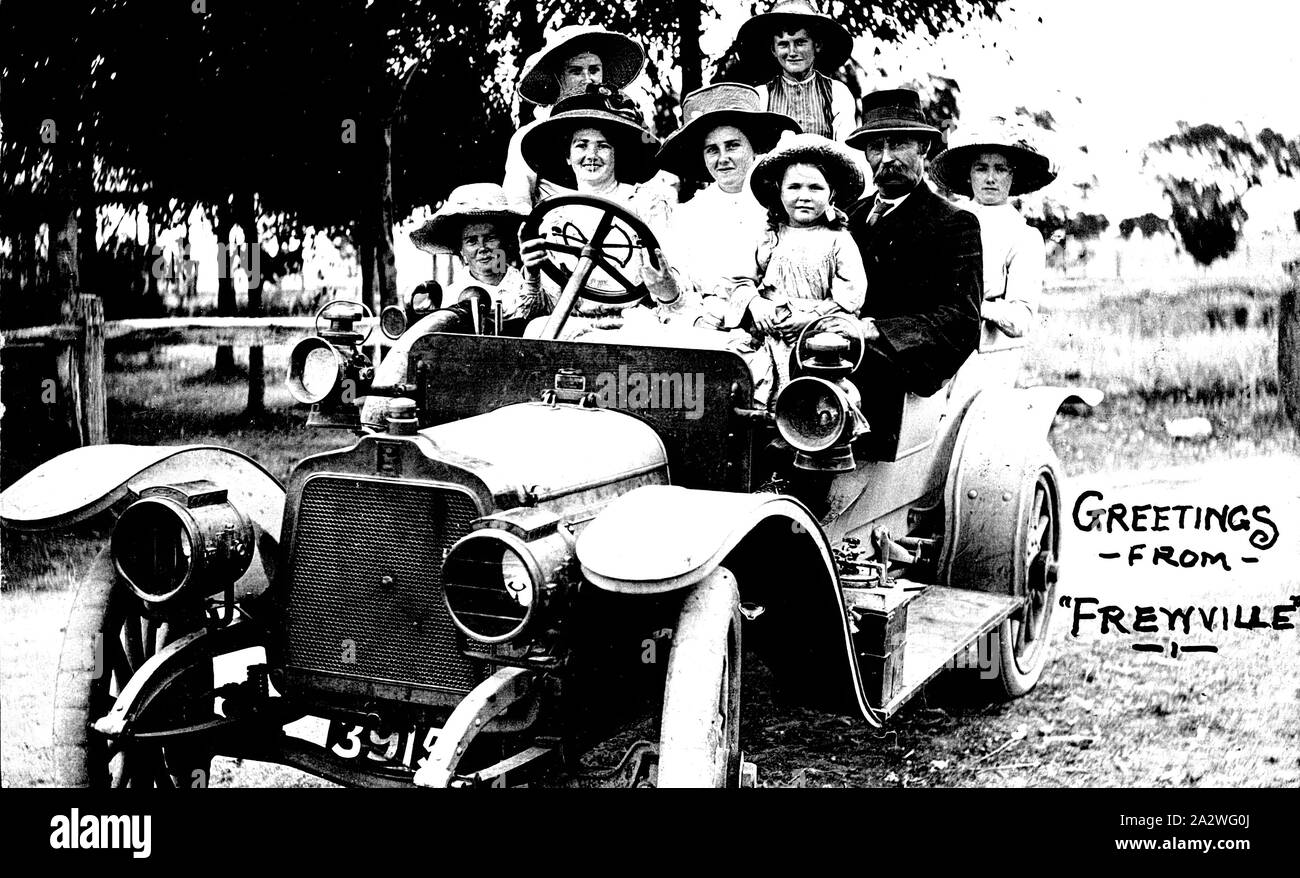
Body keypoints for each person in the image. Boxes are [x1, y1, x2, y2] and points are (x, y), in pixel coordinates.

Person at [518, 86, 695, 339]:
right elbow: (544, 308)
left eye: (603, 146)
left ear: (616, 154)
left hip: (634, 322)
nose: (591, 155)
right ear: (567, 156)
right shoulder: (553, 215)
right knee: (536, 331)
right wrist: (533, 273)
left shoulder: (646, 203)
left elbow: (672, 286)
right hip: (574, 324)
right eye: (581, 145)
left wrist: (667, 288)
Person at [844, 88, 983, 397]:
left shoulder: (954, 223)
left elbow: (963, 318)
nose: (887, 157)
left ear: (924, 147)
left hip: (903, 374)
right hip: (840, 360)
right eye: (875, 146)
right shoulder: (848, 217)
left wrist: (877, 330)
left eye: (899, 144)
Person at [656, 82, 800, 328]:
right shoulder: (688, 214)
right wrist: (697, 318)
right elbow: (676, 286)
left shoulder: (782, 206)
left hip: (771, 324)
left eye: (733, 145)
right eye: (712, 150)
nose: (723, 159)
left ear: (754, 147)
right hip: (705, 327)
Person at [736, 133, 867, 396]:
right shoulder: (769, 236)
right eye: (794, 187)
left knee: (810, 396)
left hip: (816, 338)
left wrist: (809, 319)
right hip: (769, 334)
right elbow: (740, 281)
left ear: (832, 194)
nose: (804, 196)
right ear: (778, 190)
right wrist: (756, 304)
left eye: (815, 188)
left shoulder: (838, 241)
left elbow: (850, 298)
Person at [929, 117, 1056, 340]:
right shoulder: (945, 219)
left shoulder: (1024, 236)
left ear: (1012, 175)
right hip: (932, 341)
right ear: (968, 174)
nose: (990, 178)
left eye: (1000, 169)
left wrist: (975, 306)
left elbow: (1021, 320)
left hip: (984, 352)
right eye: (981, 168)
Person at [502, 26, 647, 211]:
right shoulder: (530, 136)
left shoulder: (624, 125)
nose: (587, 79)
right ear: (558, 77)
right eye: (576, 71)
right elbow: (518, 204)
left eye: (594, 70)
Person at [735, 0, 857, 143]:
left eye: (800, 43)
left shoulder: (837, 92)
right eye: (783, 44)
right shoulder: (761, 96)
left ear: (816, 45)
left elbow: (847, 152)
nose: (792, 52)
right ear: (774, 50)